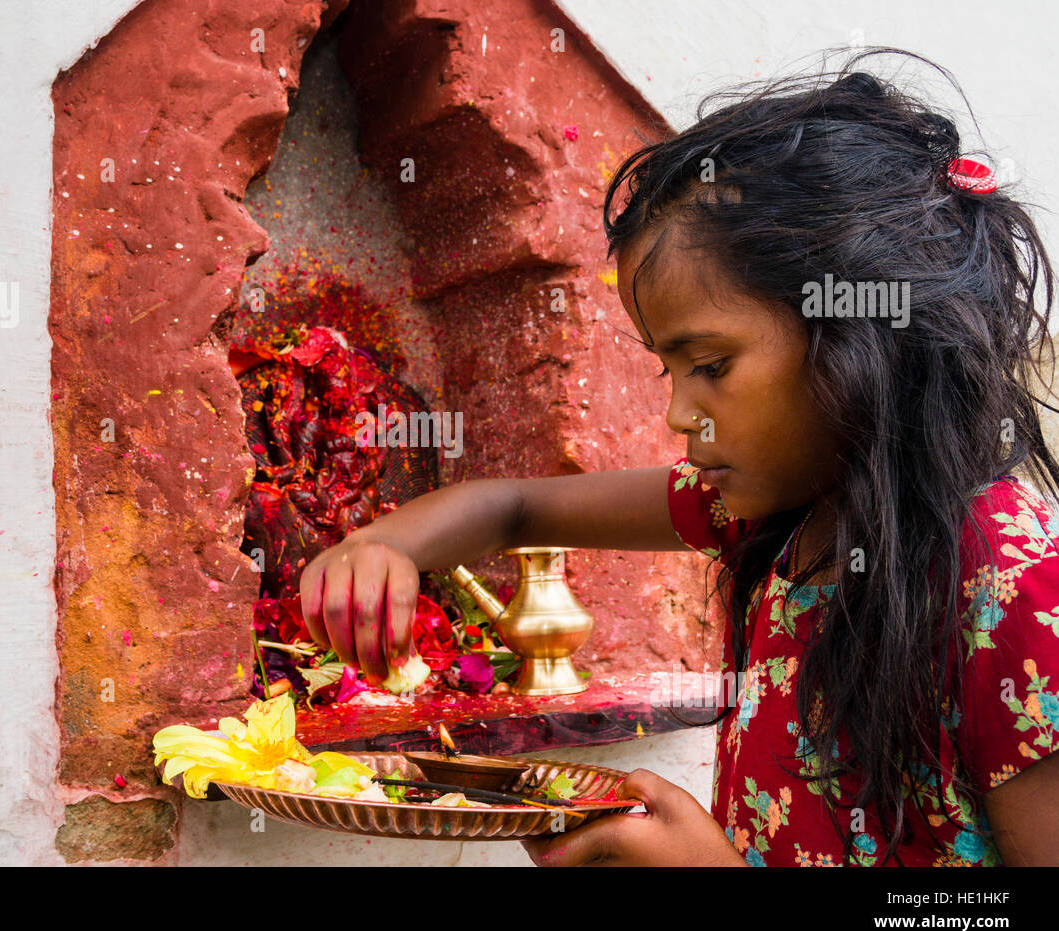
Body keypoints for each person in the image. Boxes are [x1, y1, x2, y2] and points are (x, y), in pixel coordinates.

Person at [297, 49, 1059, 866]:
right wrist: (377, 550)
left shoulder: (1015, 594)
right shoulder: (774, 516)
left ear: (859, 340)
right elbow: (514, 508)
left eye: (712, 366)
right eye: (669, 369)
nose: (676, 413)